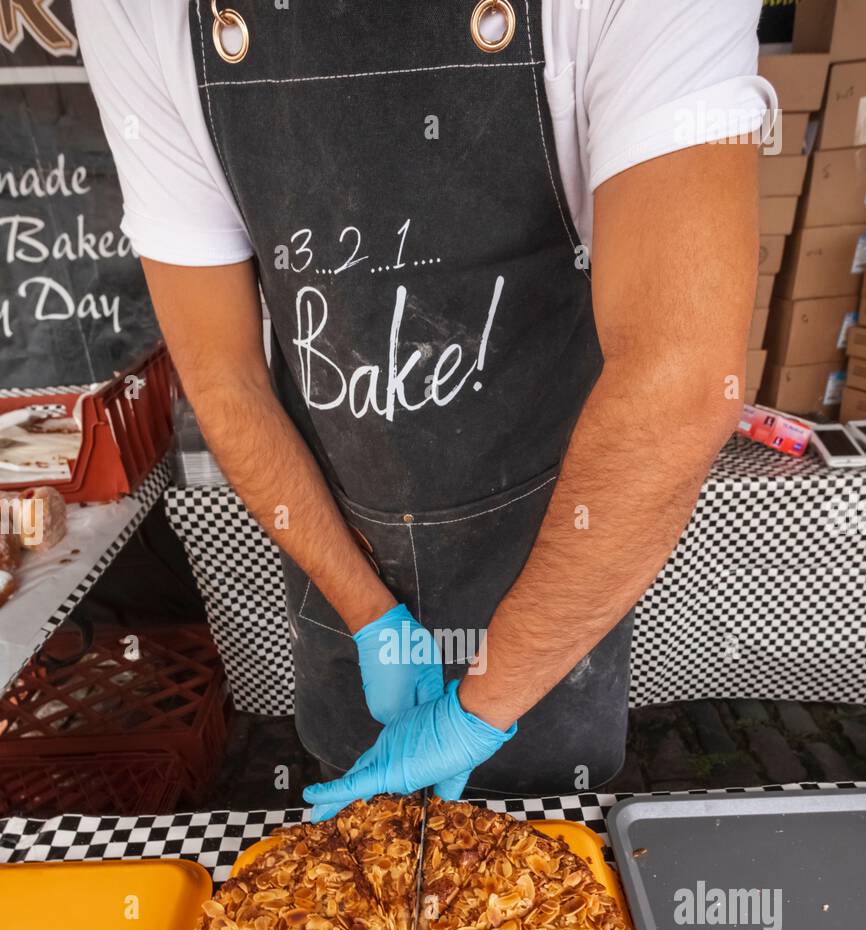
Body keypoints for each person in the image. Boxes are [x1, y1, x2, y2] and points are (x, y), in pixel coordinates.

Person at [74, 0, 773, 818]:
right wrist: (369, 614)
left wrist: (483, 709)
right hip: (339, 558)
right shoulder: (137, 10)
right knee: (358, 848)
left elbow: (682, 379)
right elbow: (224, 377)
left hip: (553, 546)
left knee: (545, 870)